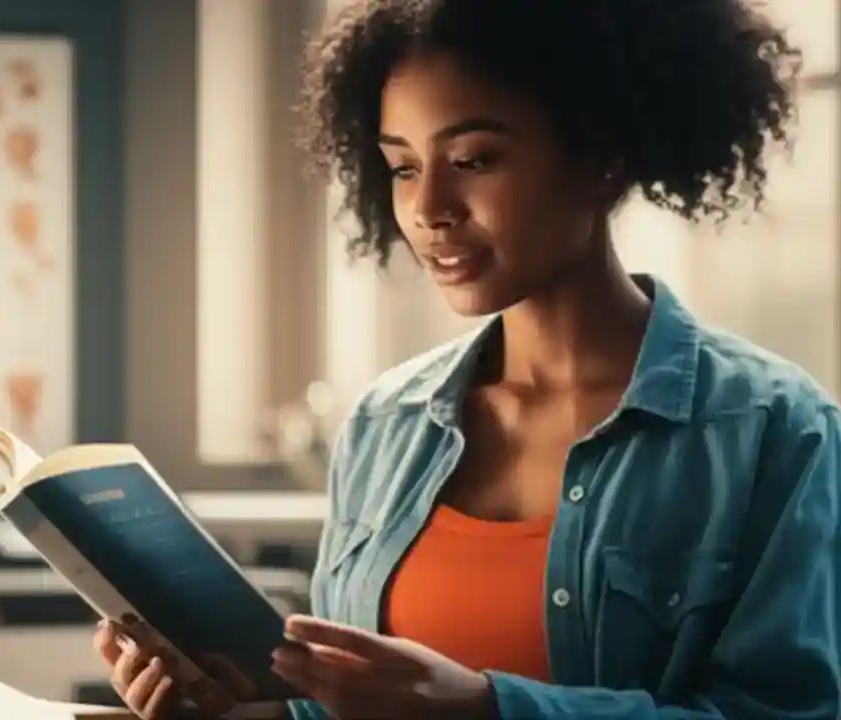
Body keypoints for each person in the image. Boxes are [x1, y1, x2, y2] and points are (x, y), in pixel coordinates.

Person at [96, 0, 839, 718]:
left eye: (473, 159)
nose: (430, 209)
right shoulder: (387, 423)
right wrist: (225, 709)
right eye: (403, 167)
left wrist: (489, 709)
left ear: (603, 154)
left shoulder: (774, 430)